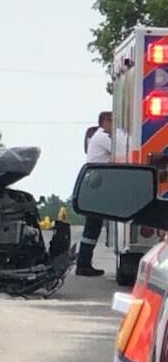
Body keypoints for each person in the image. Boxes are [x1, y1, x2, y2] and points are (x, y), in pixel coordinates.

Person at [77, 111, 112, 277]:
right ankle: (83, 264)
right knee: (92, 227)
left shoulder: (98, 137)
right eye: (112, 121)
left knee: (93, 226)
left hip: (96, 184)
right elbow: (118, 150)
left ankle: (84, 263)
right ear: (105, 121)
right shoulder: (103, 138)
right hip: (98, 185)